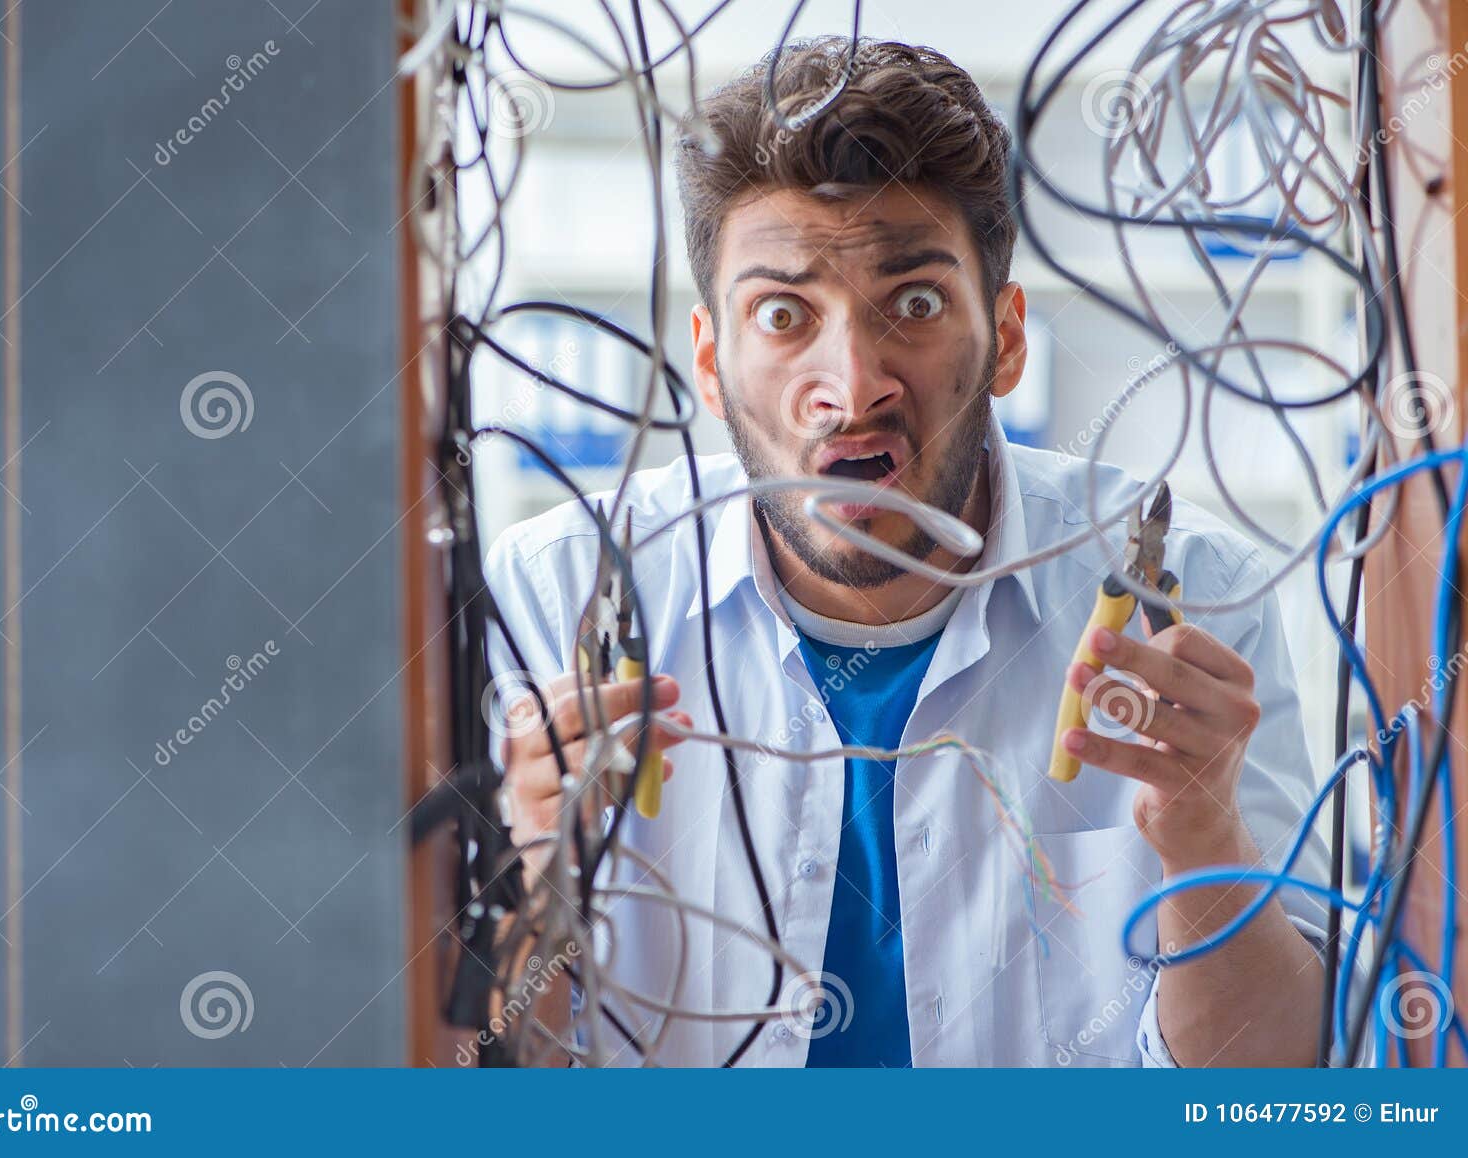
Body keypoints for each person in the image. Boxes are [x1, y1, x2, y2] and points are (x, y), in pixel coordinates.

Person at [484, 37, 1333, 1067]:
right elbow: (473, 1080)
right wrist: (538, 880)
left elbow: (1275, 1091)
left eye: (916, 304)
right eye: (784, 314)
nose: (853, 382)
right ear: (711, 363)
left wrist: (1205, 844)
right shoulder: (549, 598)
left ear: (1007, 338)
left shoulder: (1191, 599)